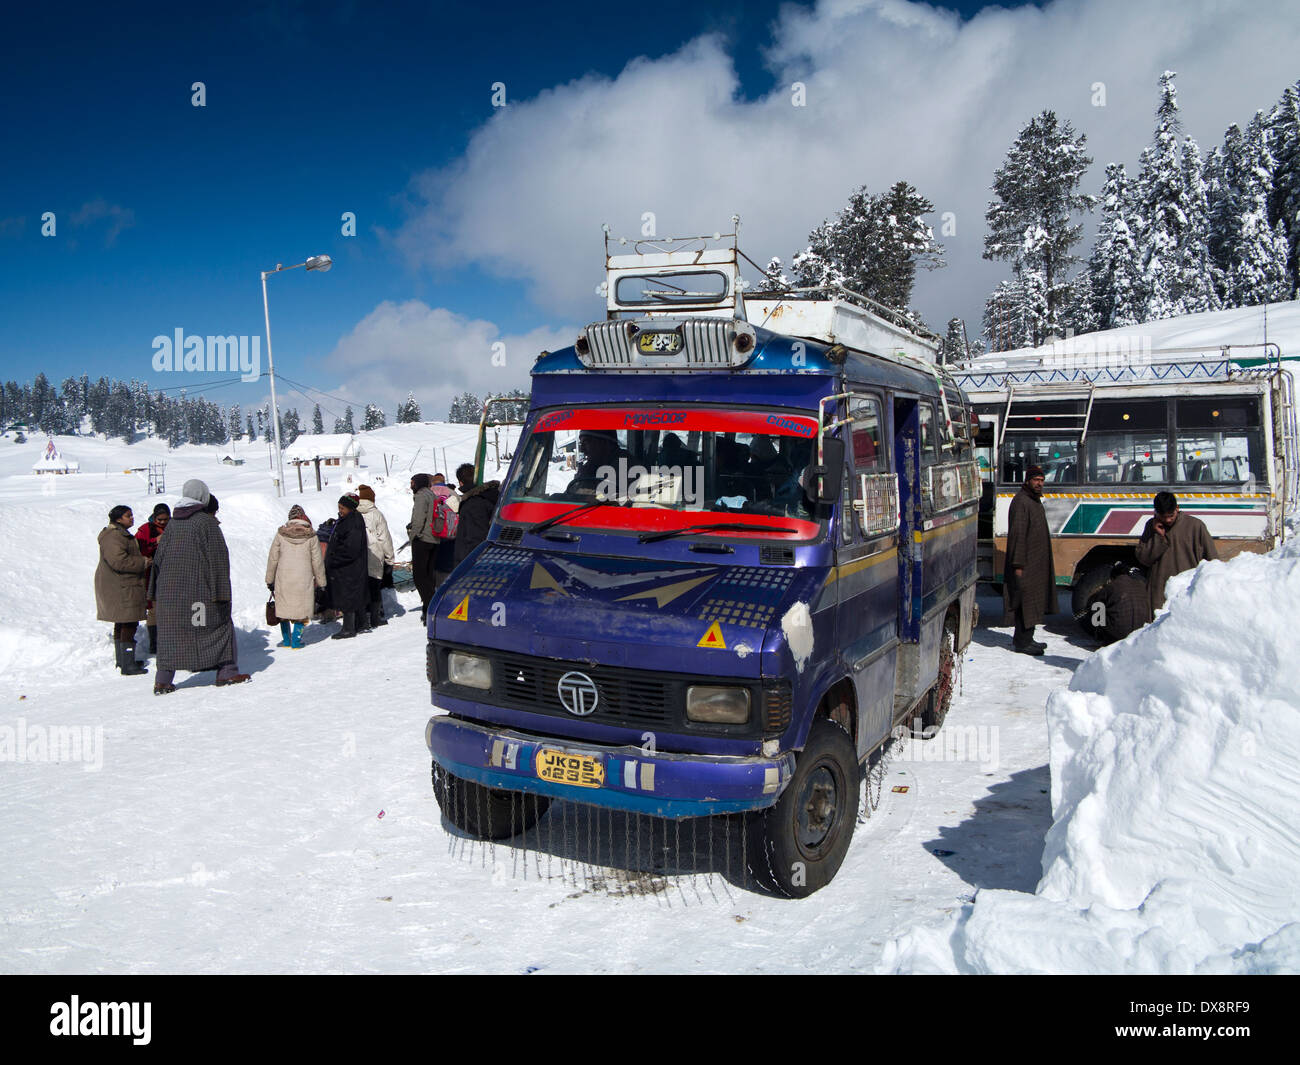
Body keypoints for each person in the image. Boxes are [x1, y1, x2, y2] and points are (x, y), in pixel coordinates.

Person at [150, 479, 249, 693]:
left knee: (171, 634)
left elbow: (158, 560)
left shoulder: (172, 525)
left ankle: (162, 680)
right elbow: (218, 559)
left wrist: (154, 592)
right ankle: (228, 672)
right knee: (219, 626)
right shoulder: (206, 523)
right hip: (199, 595)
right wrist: (222, 593)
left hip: (169, 596)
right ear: (203, 498)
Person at [1002, 465, 1057, 655]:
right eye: (1036, 480)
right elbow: (1017, 535)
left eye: (1041, 481)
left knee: (1032, 601)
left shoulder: (1033, 501)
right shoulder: (1022, 502)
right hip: (1025, 564)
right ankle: (1023, 643)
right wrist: (1018, 564)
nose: (1039, 484)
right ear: (1027, 481)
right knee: (1024, 602)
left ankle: (1027, 638)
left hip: (1034, 563)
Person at [1135, 491, 1219, 613]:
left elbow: (1213, 561)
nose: (1168, 520)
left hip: (1187, 589)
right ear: (1156, 513)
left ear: (1177, 508)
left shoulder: (1195, 526)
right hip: (1159, 591)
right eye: (1163, 516)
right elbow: (1143, 559)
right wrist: (1158, 537)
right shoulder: (1151, 526)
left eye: (1171, 515)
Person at [95, 504, 150, 676]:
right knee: (128, 622)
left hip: (122, 584)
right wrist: (143, 562)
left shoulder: (119, 534)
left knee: (122, 622)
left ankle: (123, 661)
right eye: (128, 516)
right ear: (118, 519)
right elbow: (119, 561)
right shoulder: (114, 537)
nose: (132, 518)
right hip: (122, 586)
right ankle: (128, 664)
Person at [265, 504, 326, 649]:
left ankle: (286, 640)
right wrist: (322, 582)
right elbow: (317, 562)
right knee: (302, 610)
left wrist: (269, 580)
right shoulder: (311, 535)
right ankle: (297, 641)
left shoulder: (281, 534)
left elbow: (273, 558)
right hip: (303, 580)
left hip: (283, 578)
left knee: (283, 610)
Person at [326, 494, 370, 638]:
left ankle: (348, 628)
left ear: (350, 508)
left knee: (348, 596)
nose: (340, 510)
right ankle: (361, 623)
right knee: (352, 594)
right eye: (339, 507)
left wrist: (335, 559)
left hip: (349, 566)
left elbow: (351, 549)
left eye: (342, 508)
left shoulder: (353, 522)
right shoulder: (348, 519)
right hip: (349, 566)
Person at [356, 485, 395, 628]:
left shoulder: (354, 513)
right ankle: (376, 616)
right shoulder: (377, 514)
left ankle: (362, 617)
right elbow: (384, 538)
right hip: (375, 555)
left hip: (359, 555)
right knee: (374, 587)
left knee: (362, 586)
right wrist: (389, 558)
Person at [1087, 562, 1153, 644]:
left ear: (1113, 575)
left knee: (1097, 606)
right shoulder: (1141, 584)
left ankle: (1100, 636)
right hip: (1140, 633)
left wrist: (1098, 592)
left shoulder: (1112, 585)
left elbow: (1095, 602)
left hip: (1119, 634)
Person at [135, 503, 169, 653]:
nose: (162, 522)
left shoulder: (174, 526)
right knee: (154, 608)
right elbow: (138, 548)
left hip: (170, 571)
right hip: (151, 573)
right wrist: (155, 542)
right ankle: (154, 644)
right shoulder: (145, 530)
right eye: (159, 519)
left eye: (165, 519)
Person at [454, 463, 500, 566]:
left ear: (461, 483)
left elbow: (476, 539)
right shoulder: (489, 495)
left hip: (472, 564)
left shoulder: (473, 504)